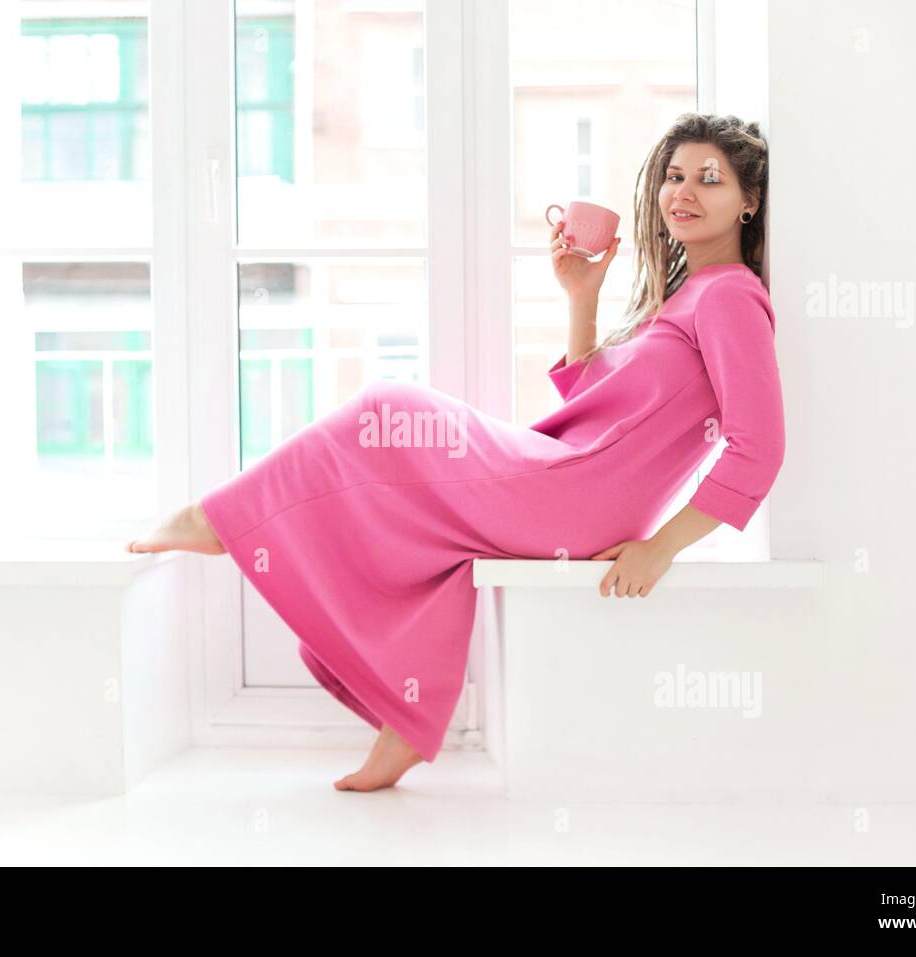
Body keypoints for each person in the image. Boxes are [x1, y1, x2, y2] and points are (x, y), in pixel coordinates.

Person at [126, 113, 786, 793]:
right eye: (675, 176)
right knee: (421, 519)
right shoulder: (690, 296)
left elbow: (759, 445)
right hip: (577, 486)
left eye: (709, 179)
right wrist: (581, 298)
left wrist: (662, 545)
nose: (683, 191)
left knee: (389, 409)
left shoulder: (732, 295)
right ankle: (405, 720)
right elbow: (609, 404)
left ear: (749, 201)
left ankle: (220, 521)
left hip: (576, 494)